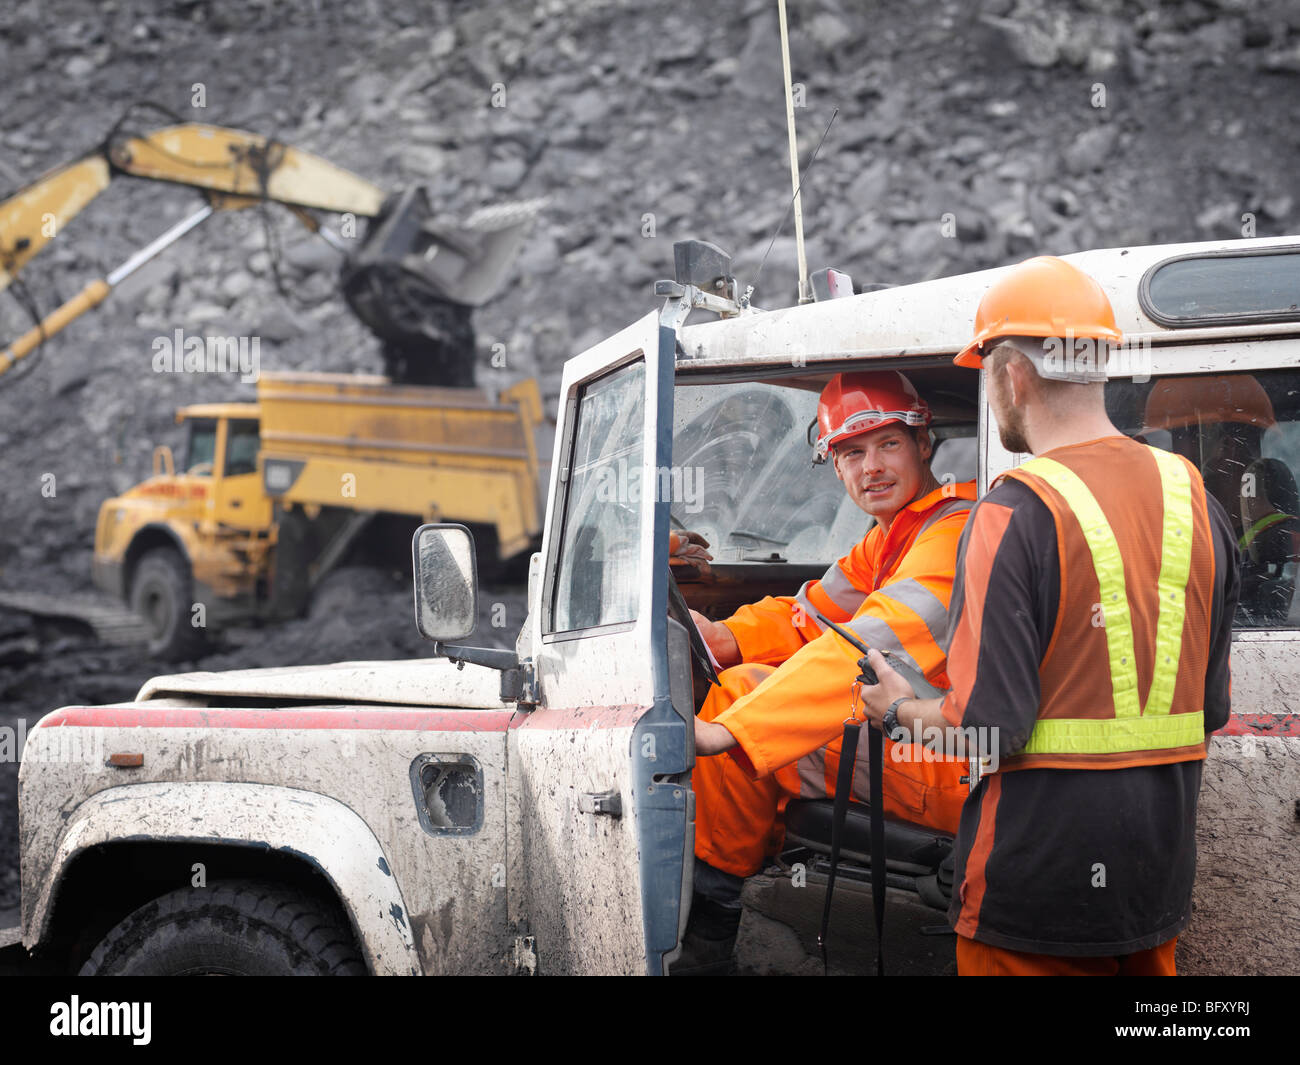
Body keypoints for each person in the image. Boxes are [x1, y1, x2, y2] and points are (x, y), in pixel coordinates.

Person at [852, 256, 1239, 975]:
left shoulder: (1012, 512)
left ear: (1012, 375)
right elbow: (1208, 711)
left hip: (1031, 896)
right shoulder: (1195, 499)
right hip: (1152, 884)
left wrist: (898, 709)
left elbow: (990, 728)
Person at [680, 370, 976, 972]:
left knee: (739, 701)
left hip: (956, 761)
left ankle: (709, 934)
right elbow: (810, 617)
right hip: (918, 742)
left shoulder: (955, 532)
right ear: (834, 466)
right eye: (851, 453)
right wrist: (724, 635)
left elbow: (861, 650)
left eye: (888, 444)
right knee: (744, 686)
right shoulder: (893, 536)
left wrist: (731, 729)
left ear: (925, 444)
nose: (872, 468)